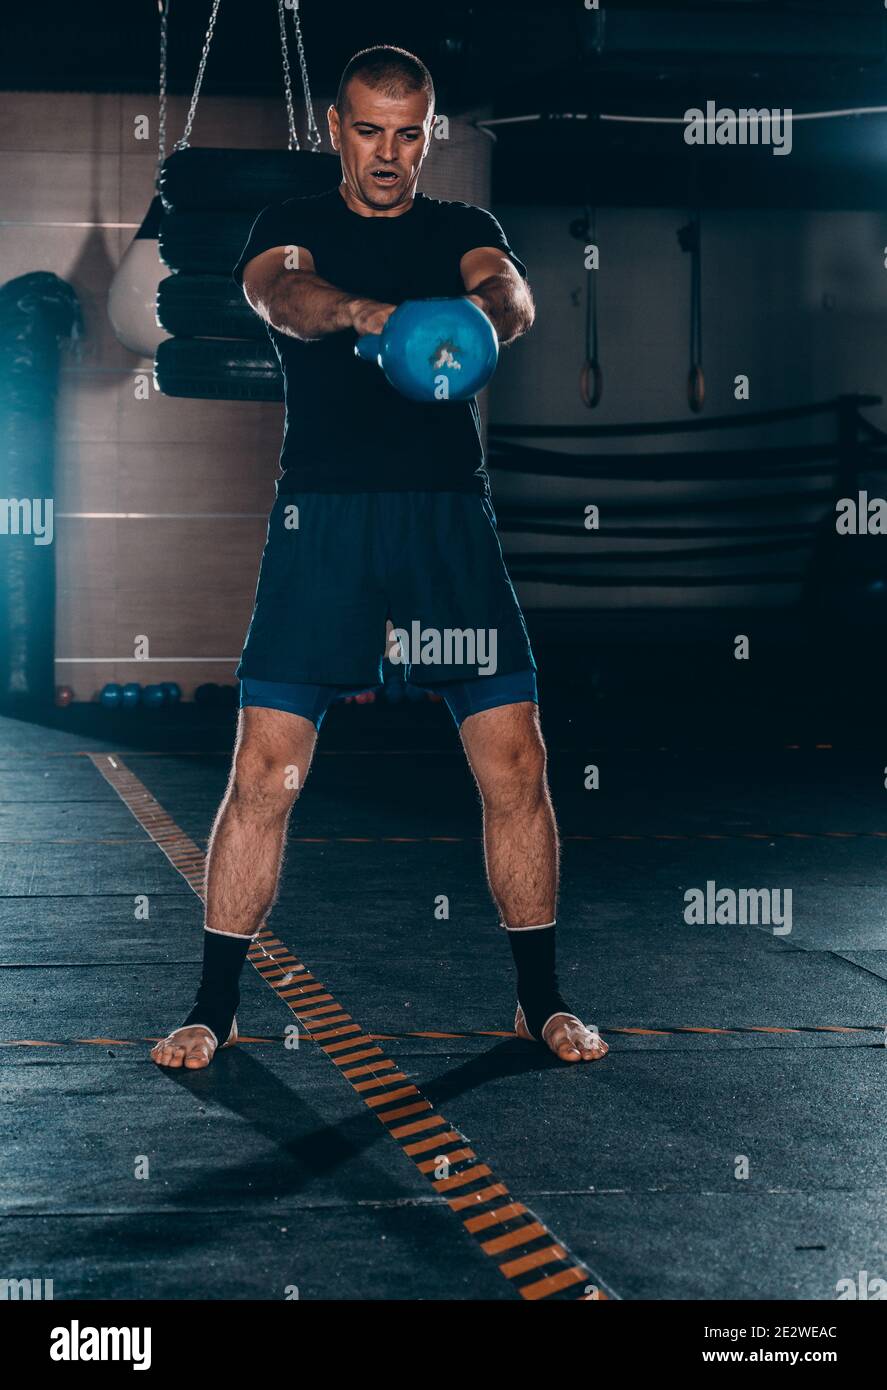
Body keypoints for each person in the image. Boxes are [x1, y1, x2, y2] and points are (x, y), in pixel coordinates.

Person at [151, 44, 607, 1071]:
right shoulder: (292, 229)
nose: (388, 152)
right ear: (334, 127)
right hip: (326, 522)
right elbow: (281, 298)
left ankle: (539, 999)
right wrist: (369, 317)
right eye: (368, 129)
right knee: (265, 772)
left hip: (446, 519)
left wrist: (470, 323)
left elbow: (512, 294)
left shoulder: (461, 234)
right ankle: (212, 1006)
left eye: (408, 132)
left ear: (429, 131)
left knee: (517, 762)